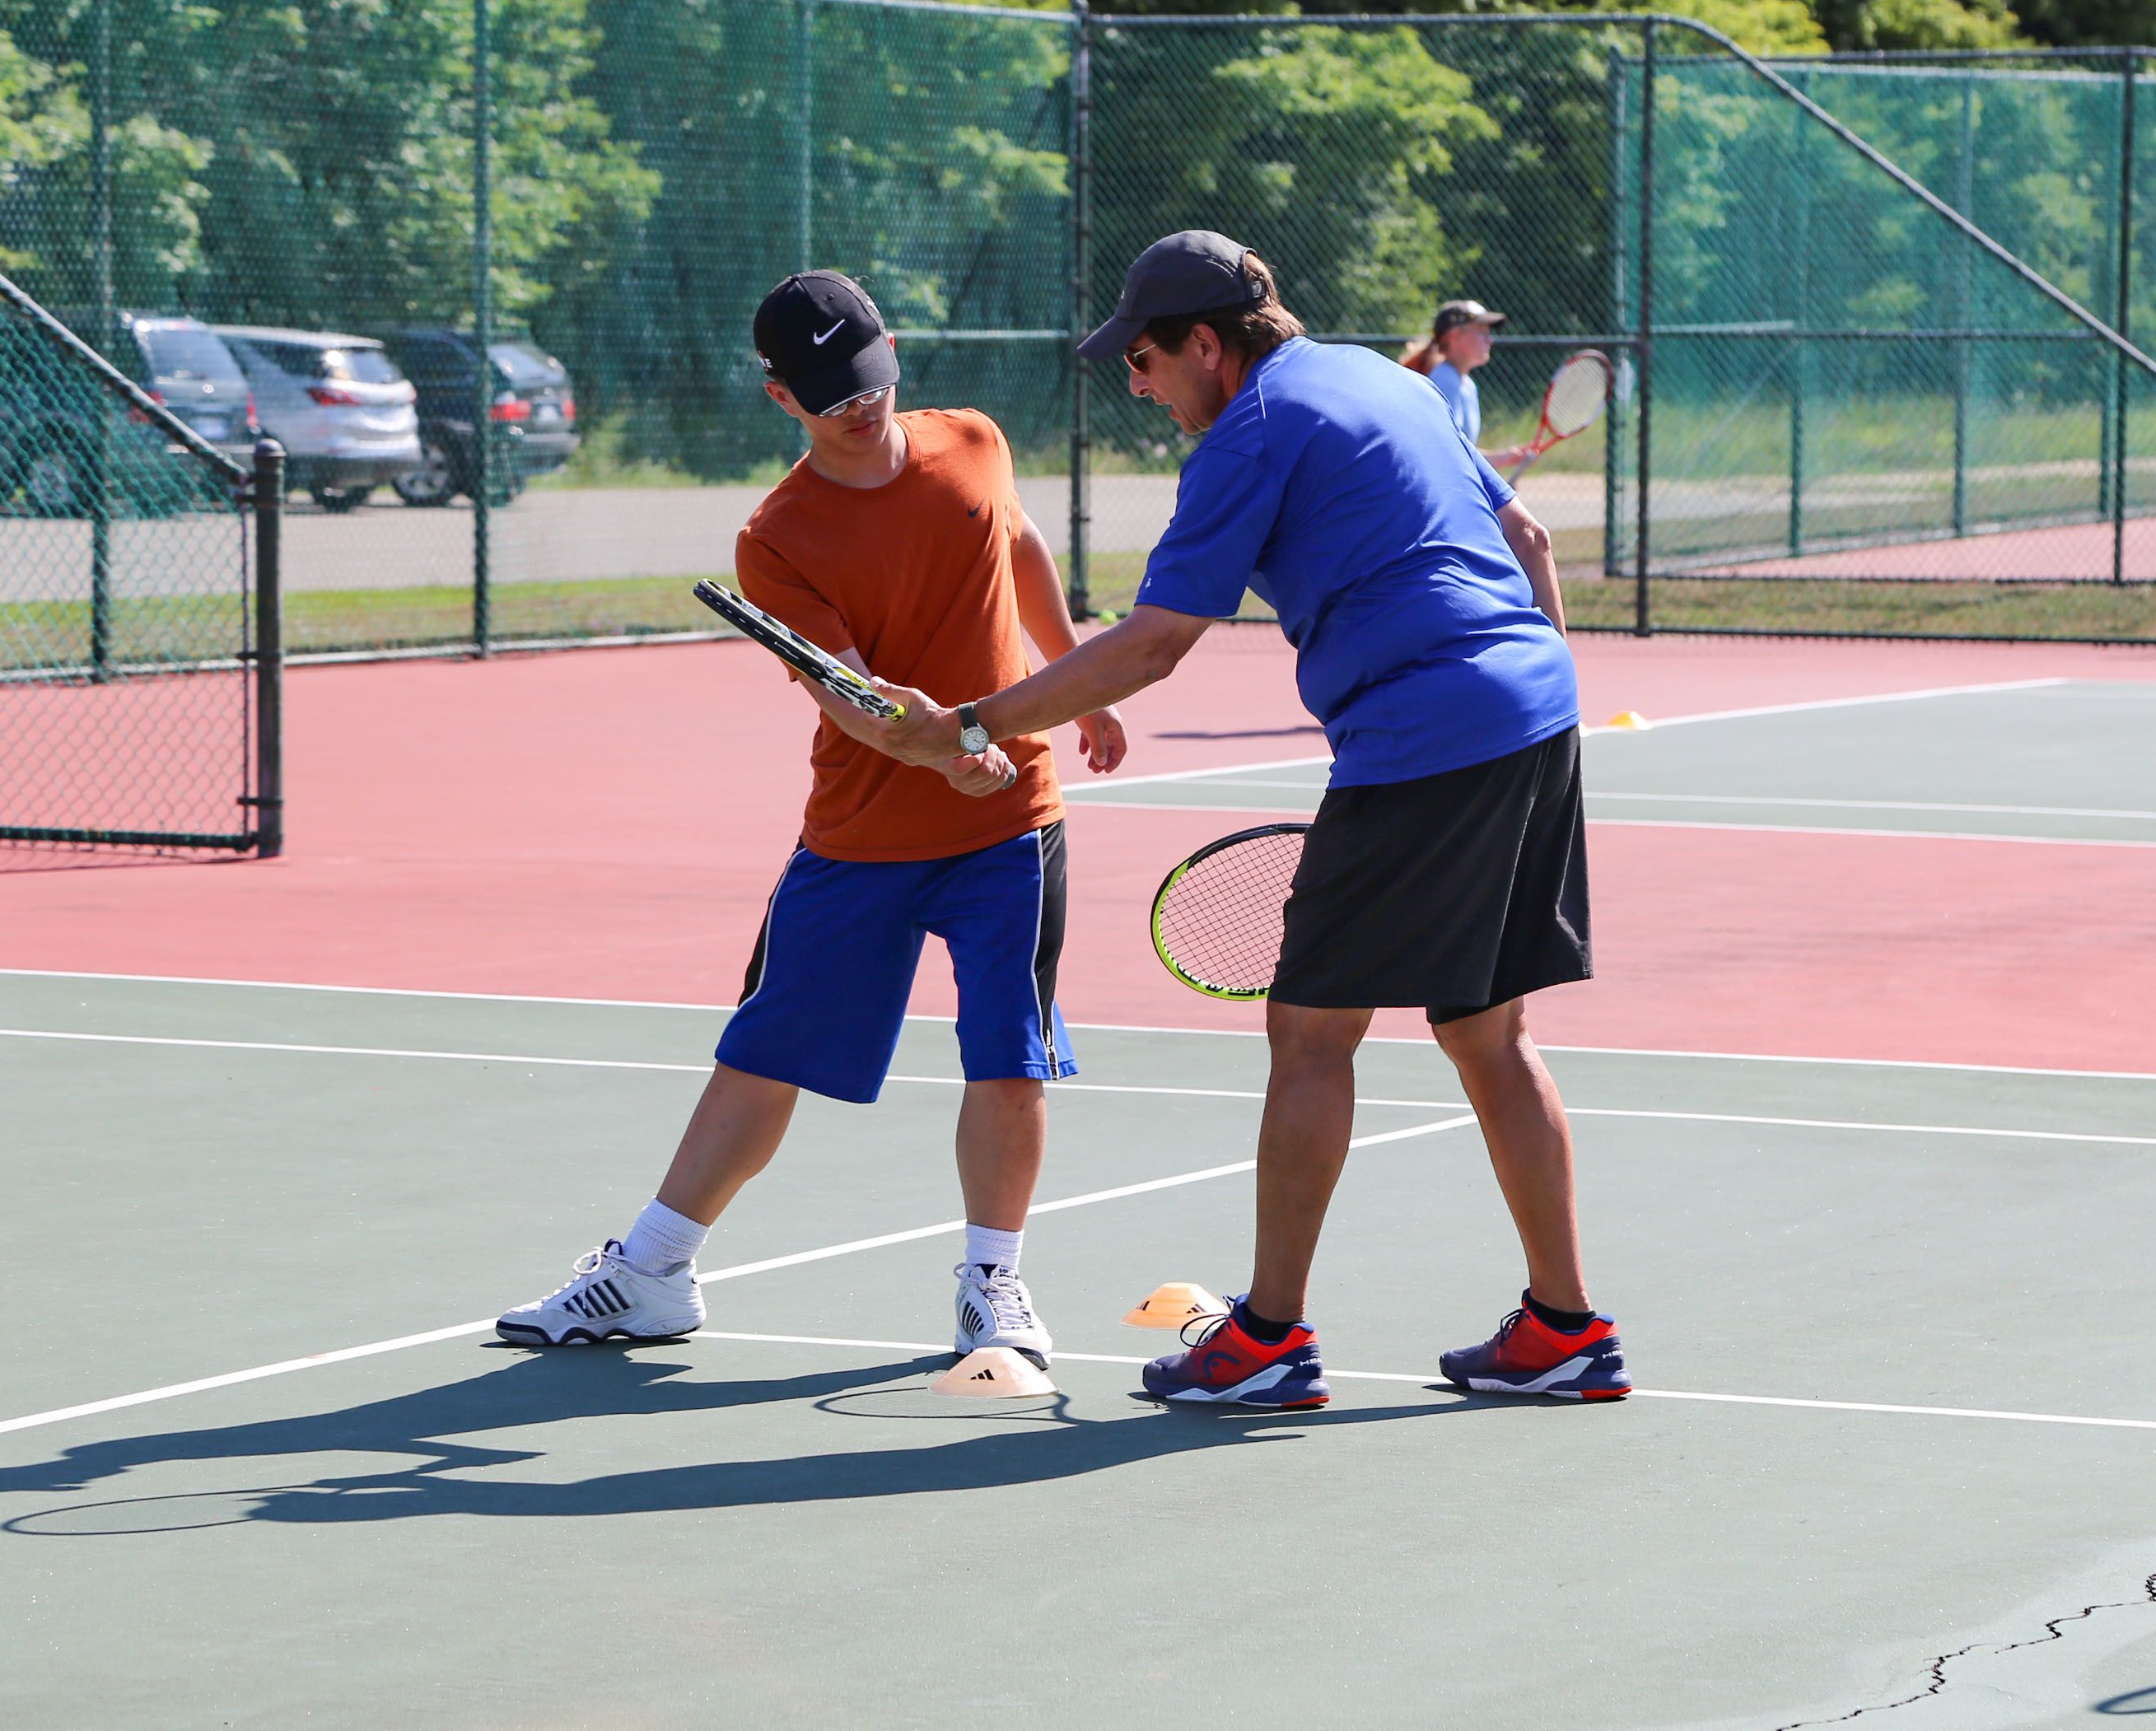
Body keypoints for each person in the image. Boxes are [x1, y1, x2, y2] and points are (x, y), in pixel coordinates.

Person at [847, 231, 1625, 1407]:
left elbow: (1154, 643)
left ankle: (1264, 1338)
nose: (1137, 380)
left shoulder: (1249, 433)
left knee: (1311, 1032)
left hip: (1425, 742)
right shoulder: (1383, 376)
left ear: (1208, 345)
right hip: (1534, 714)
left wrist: (969, 723)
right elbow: (1527, 539)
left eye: (1147, 356)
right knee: (1486, 1032)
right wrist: (1528, 694)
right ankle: (1563, 1327)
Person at [496, 269, 1127, 1368]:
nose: (857, 403)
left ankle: (993, 1284)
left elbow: (1014, 546)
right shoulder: (775, 539)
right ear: (781, 396)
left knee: (1008, 1059)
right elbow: (852, 694)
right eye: (827, 389)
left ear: (894, 350)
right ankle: (650, 1273)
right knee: (763, 1053)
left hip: (1009, 825)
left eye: (869, 375)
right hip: (861, 832)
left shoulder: (974, 439)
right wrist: (943, 751)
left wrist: (1076, 675)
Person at [1398, 297, 1530, 478]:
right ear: (1455, 337)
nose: (1489, 339)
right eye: (1482, 331)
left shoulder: (1466, 383)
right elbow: (1447, 455)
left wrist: (1505, 458)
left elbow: (1461, 451)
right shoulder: (1444, 379)